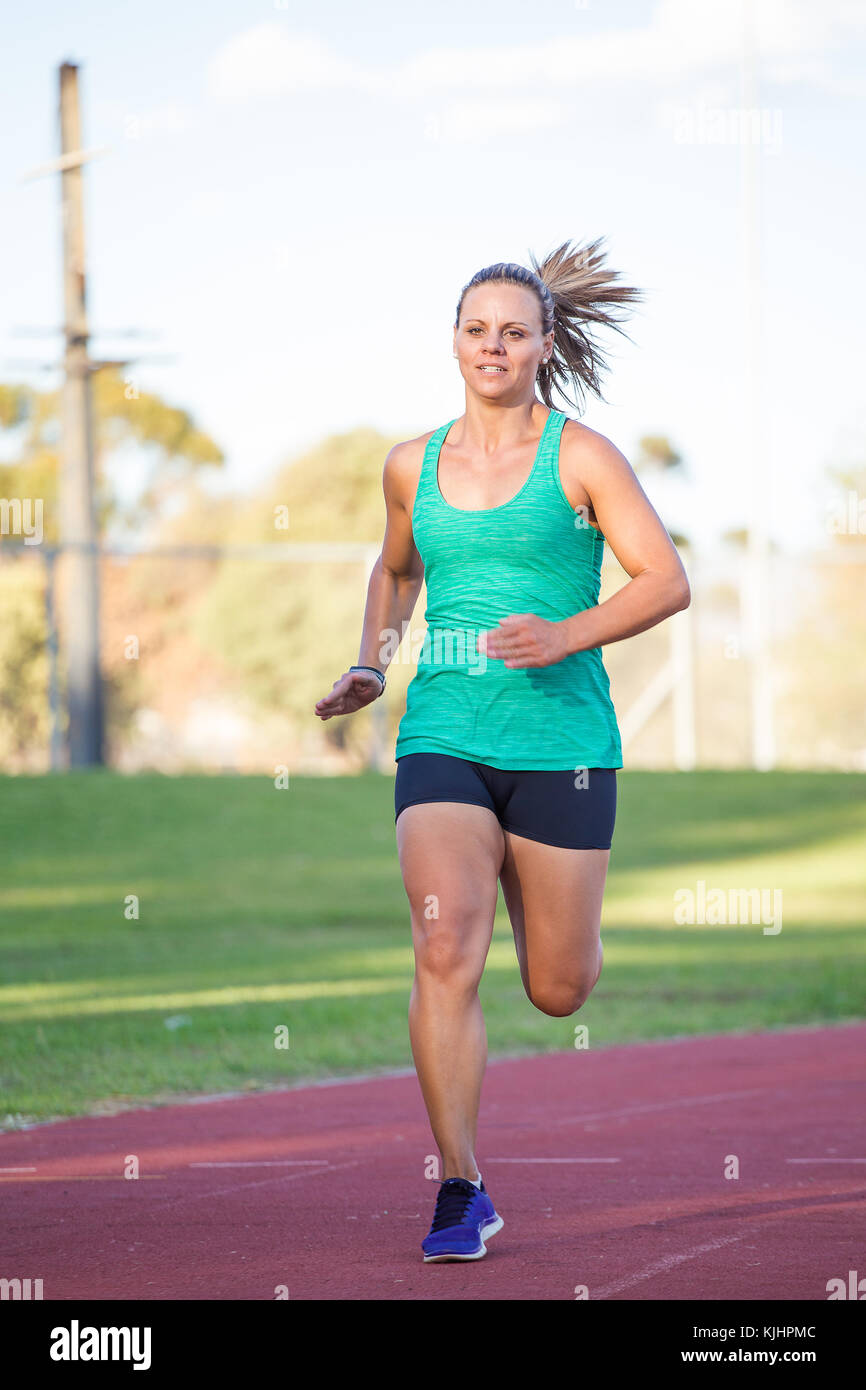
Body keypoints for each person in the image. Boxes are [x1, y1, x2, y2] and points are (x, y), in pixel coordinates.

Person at [314, 237, 690, 1262]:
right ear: (454, 341)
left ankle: (550, 908)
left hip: (563, 743)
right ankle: (458, 1185)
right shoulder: (411, 463)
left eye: (512, 332)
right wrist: (371, 662)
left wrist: (563, 633)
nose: (492, 346)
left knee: (556, 986)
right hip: (442, 735)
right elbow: (393, 573)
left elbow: (663, 579)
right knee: (443, 948)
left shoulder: (580, 455)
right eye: (475, 330)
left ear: (541, 344)